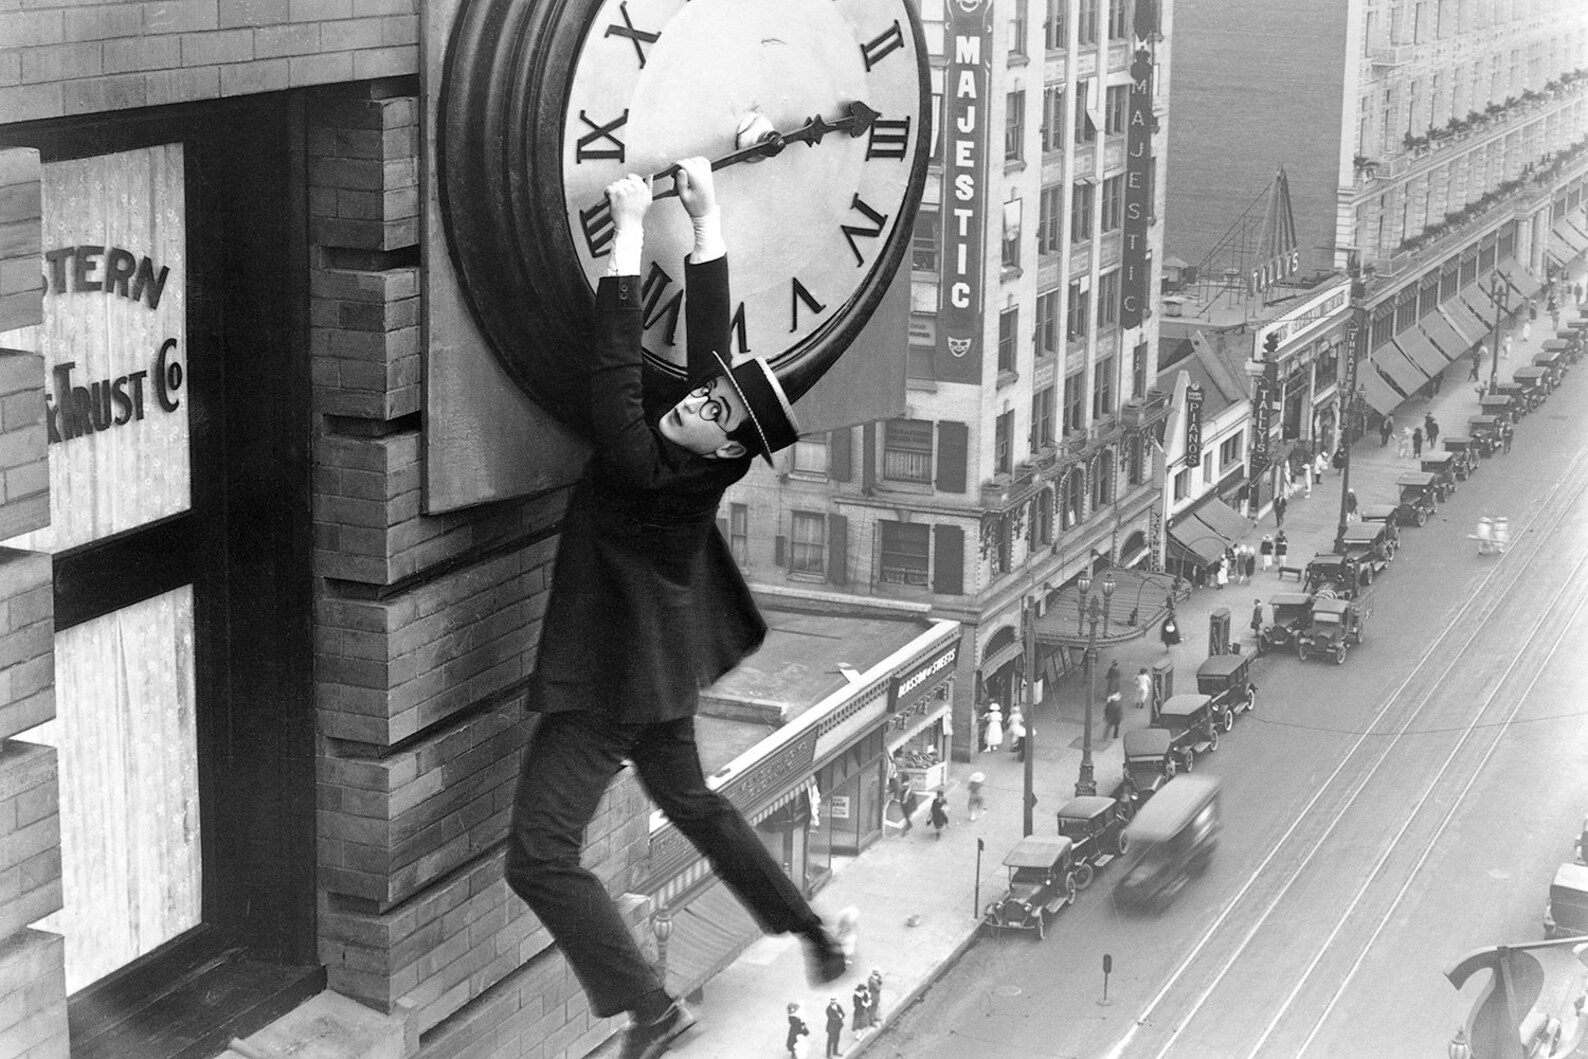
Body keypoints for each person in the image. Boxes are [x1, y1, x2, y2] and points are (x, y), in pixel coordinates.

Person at [504, 162, 849, 1059]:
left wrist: (625, 228)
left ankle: (652, 1012)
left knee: (538, 856)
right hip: (659, 669)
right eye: (702, 395)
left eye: (708, 408)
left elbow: (615, 365)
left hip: (615, 684)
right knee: (692, 801)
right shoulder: (700, 454)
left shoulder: (642, 464)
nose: (693, 398)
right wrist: (707, 223)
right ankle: (806, 925)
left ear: (722, 443)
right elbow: (709, 364)